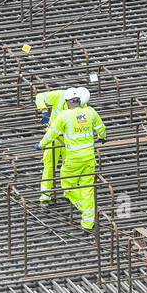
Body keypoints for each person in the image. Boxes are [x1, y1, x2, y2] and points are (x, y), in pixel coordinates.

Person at [39, 86, 106, 229]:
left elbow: (51, 134)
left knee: (67, 187)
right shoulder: (90, 112)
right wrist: (102, 138)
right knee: (87, 188)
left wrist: (40, 144)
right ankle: (88, 221)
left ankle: (82, 207)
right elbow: (101, 129)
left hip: (73, 159)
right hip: (89, 159)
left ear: (68, 102)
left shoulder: (64, 115)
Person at [35, 87, 75, 204]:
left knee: (69, 165)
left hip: (68, 138)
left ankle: (69, 193)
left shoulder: (81, 103)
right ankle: (45, 196)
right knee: (49, 165)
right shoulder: (60, 95)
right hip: (54, 136)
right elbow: (39, 97)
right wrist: (43, 111)